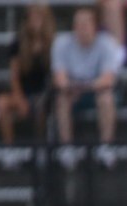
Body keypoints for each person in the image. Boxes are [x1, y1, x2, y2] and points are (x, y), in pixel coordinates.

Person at [52, 6, 121, 168]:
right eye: (78, 24)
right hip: (73, 92)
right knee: (61, 100)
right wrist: (72, 88)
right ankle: (67, 148)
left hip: (96, 91)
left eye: (85, 24)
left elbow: (108, 80)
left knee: (106, 98)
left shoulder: (107, 43)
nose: (81, 29)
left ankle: (106, 146)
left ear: (95, 26)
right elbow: (59, 80)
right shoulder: (61, 43)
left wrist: (82, 87)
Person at [0, 3, 55, 161]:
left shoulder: (53, 44)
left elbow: (55, 75)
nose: (35, 21)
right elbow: (14, 77)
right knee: (1, 103)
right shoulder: (17, 44)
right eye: (31, 17)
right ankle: (10, 150)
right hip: (24, 92)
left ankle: (40, 147)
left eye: (38, 17)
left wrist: (45, 95)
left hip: (46, 93)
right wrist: (20, 98)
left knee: (41, 106)